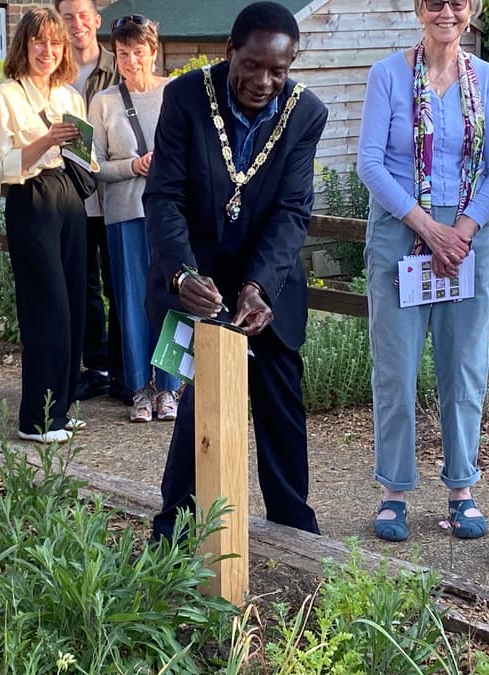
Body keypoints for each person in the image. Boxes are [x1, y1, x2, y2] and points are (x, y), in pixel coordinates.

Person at [146, 1, 326, 540]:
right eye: (253, 65)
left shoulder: (306, 113)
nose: (264, 80)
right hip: (200, 280)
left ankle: (297, 535)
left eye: (279, 69)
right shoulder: (184, 98)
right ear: (230, 51)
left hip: (268, 288)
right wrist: (182, 275)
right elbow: (164, 197)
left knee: (281, 413)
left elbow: (293, 210)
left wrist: (259, 285)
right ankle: (172, 533)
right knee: (200, 410)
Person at [357, 0, 489, 543]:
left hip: (468, 237)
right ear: (420, 9)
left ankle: (462, 489)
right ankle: (394, 491)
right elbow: (370, 164)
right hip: (402, 230)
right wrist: (429, 228)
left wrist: (463, 231)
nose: (447, 11)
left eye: (459, 1)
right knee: (396, 367)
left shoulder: (486, 78)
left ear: (472, 10)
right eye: (434, 1)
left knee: (464, 366)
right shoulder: (387, 75)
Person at [0, 7, 90, 444]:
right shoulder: (4, 97)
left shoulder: (70, 96)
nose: (48, 51)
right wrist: (45, 140)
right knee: (48, 308)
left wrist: (83, 151)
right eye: (39, 42)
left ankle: (60, 408)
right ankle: (37, 420)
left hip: (70, 197)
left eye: (55, 43)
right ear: (24, 46)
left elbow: (86, 157)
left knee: (75, 306)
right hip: (31, 197)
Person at [88, 15, 179, 423]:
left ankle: (171, 388)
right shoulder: (104, 101)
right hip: (125, 213)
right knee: (131, 302)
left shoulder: (175, 93)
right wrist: (133, 166)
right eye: (122, 53)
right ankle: (140, 388)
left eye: (137, 52)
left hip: (171, 217)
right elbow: (95, 167)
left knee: (173, 299)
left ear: (152, 51)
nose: (130, 61)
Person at [56, 0, 131, 406]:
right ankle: (95, 365)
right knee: (82, 284)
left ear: (96, 20)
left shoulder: (119, 64)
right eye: (67, 16)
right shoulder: (53, 69)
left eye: (83, 15)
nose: (76, 24)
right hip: (73, 199)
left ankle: (123, 369)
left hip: (116, 195)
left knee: (118, 281)